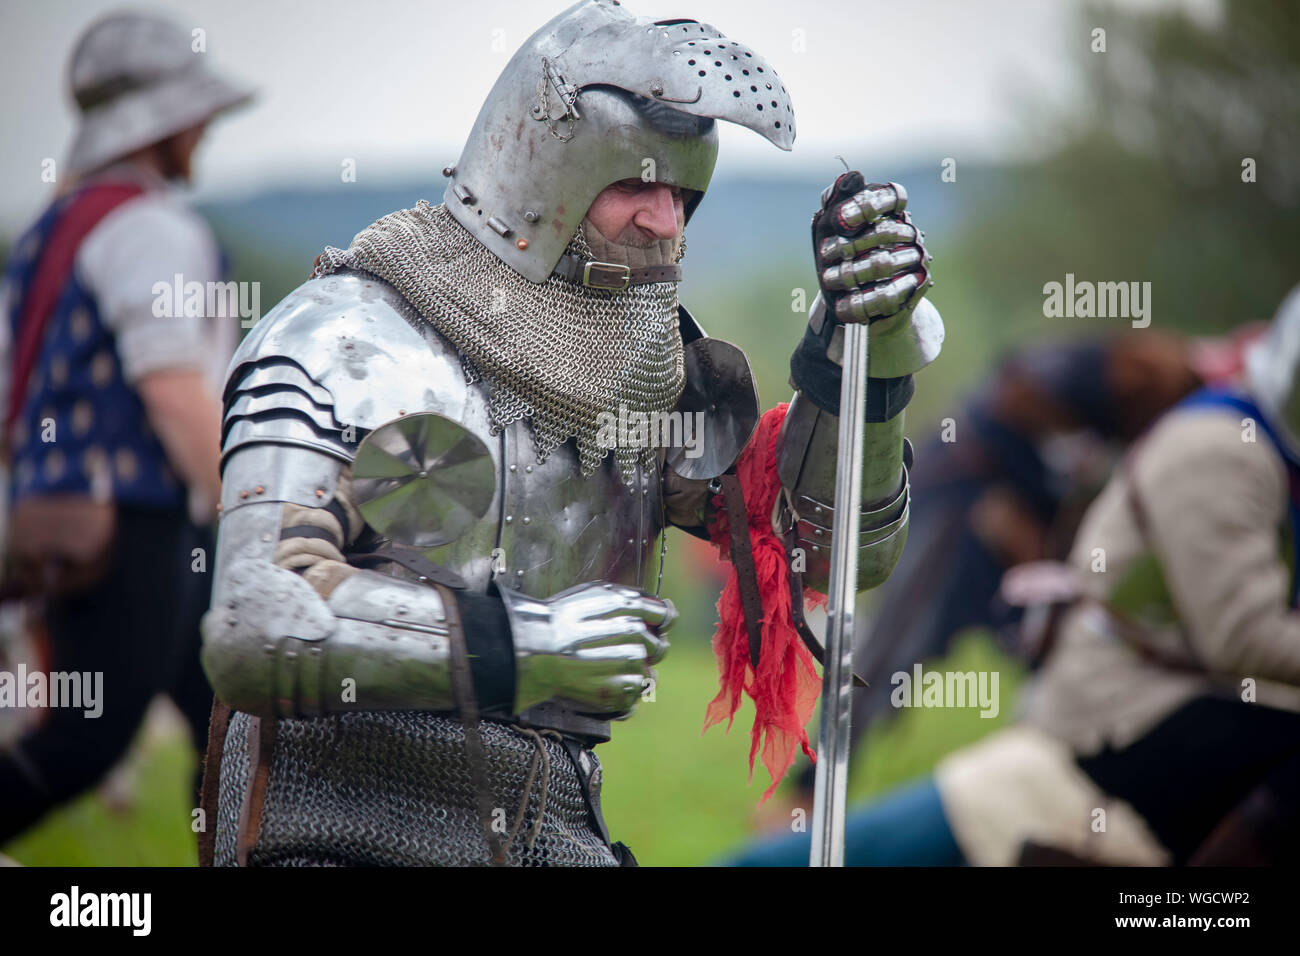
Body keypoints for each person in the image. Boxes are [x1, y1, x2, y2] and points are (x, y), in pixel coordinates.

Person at [199, 0, 944, 867]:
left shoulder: (636, 373)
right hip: (338, 829)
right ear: (542, 177)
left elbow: (825, 550)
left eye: (681, 193)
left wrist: (860, 357)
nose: (667, 222)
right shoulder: (346, 341)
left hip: (554, 827)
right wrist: (523, 647)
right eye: (635, 186)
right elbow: (255, 621)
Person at [725, 287, 1300, 867]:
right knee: (892, 654)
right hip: (959, 509)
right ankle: (804, 799)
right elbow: (1016, 398)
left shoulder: (1169, 404)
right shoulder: (1112, 376)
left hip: (1020, 545)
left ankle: (1041, 774)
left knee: (1050, 650)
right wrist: (1024, 512)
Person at [0, 12, 251, 843]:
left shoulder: (51, 230)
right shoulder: (150, 228)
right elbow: (177, 395)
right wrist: (259, 510)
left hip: (71, 518)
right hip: (137, 526)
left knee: (228, 728)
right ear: (163, 119)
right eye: (193, 114)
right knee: (84, 744)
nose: (204, 130)